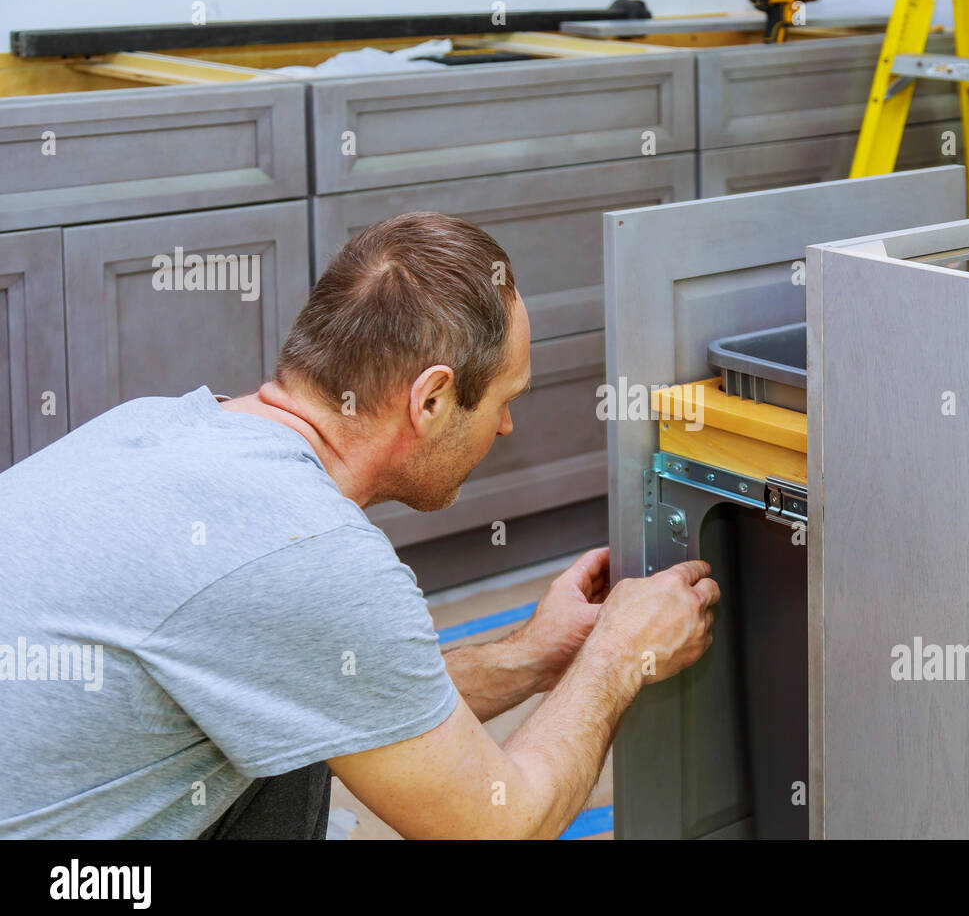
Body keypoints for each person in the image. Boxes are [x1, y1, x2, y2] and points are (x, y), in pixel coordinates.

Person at [0, 212, 719, 839]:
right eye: (503, 398)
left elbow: (349, 688)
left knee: (289, 744)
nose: (506, 427)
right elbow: (499, 822)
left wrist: (534, 655)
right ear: (432, 399)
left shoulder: (163, 425)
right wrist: (621, 656)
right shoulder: (308, 552)